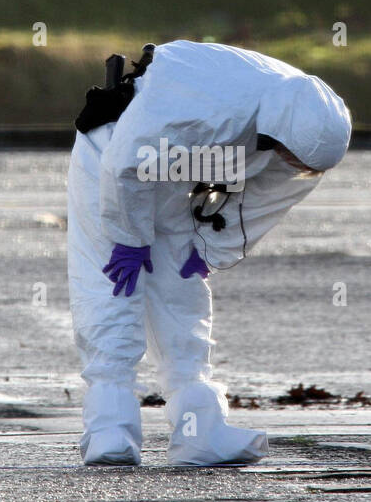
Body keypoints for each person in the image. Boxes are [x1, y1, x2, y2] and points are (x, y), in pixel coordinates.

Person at [68, 40, 352, 466]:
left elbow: (263, 196)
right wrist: (128, 237)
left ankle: (199, 433)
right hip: (110, 154)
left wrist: (209, 249)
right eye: (292, 157)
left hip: (175, 170)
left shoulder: (302, 125)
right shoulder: (211, 110)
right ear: (280, 135)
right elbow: (124, 166)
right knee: (112, 285)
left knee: (182, 293)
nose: (295, 166)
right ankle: (110, 430)